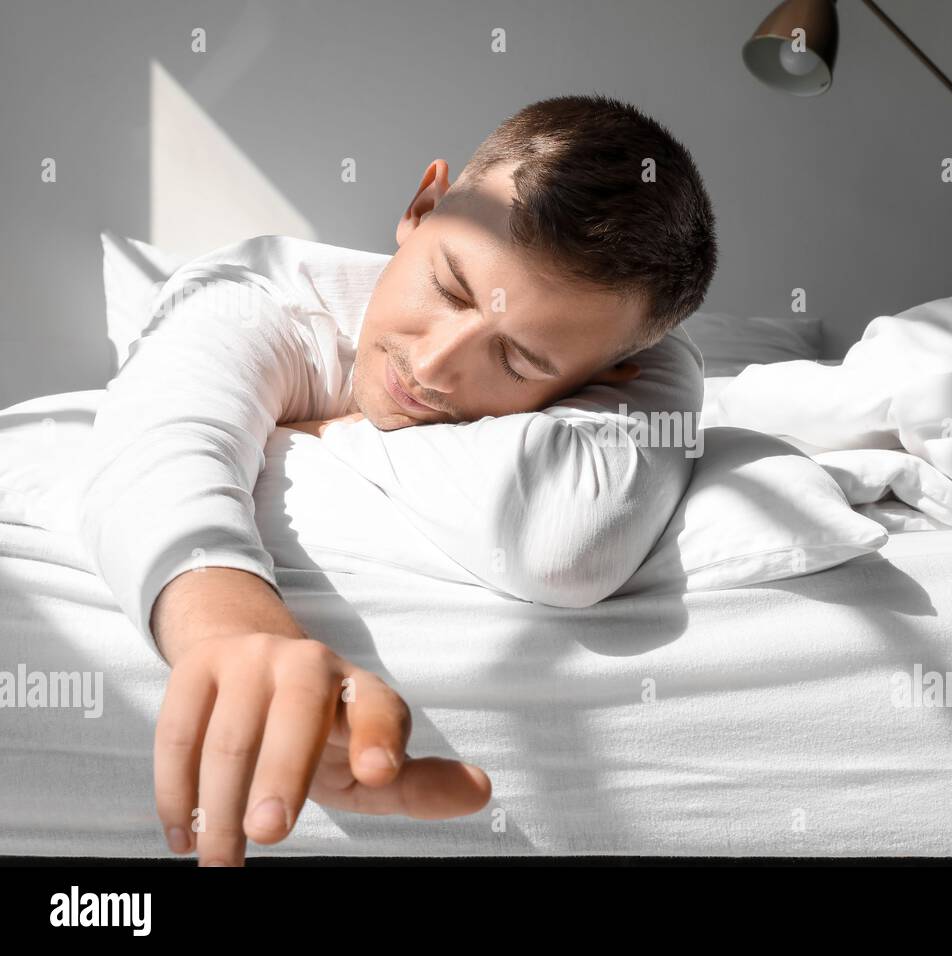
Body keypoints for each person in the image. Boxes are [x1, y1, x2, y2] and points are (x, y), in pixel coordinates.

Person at [75, 94, 718, 866]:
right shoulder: (255, 294)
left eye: (518, 360)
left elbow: (566, 544)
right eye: (449, 287)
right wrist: (236, 634)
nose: (436, 366)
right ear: (421, 206)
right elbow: (159, 445)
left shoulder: (647, 359)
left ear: (609, 374)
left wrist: (305, 435)